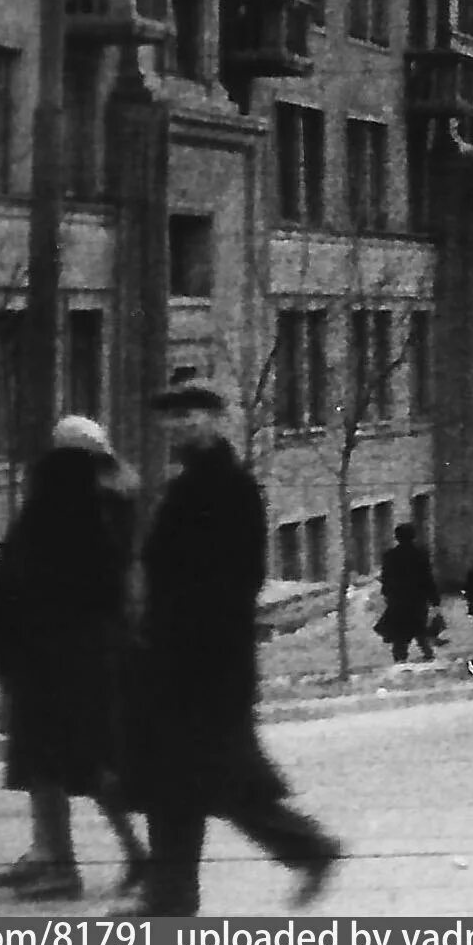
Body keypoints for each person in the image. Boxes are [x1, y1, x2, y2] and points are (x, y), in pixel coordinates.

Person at [122, 383, 341, 917]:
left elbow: (238, 578)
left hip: (205, 663)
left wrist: (188, 647)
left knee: (211, 780)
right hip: (182, 659)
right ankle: (174, 895)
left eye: (190, 415)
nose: (178, 425)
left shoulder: (227, 487)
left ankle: (308, 849)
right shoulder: (190, 485)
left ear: (217, 420)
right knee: (178, 782)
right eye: (171, 417)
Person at [0, 416, 150, 901]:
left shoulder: (72, 503)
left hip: (56, 656)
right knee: (66, 762)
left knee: (64, 761)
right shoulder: (104, 500)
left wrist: (12, 645)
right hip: (78, 653)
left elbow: (33, 581)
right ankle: (60, 855)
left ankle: (67, 862)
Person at [374, 523, 439, 664]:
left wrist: (387, 594)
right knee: (419, 627)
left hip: (398, 598)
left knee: (400, 630)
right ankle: (428, 654)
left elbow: (386, 577)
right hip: (417, 598)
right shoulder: (421, 554)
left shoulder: (390, 556)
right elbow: (427, 577)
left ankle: (400, 658)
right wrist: (434, 599)